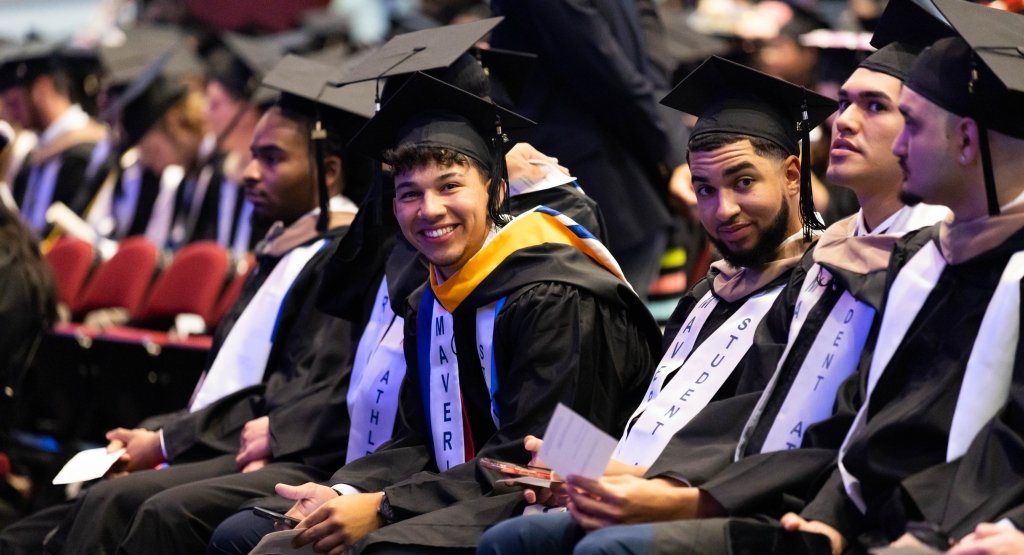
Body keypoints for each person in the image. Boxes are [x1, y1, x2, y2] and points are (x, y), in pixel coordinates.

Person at [476, 34, 953, 555]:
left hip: (754, 499)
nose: (723, 210)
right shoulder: (709, 290)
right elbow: (650, 412)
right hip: (665, 481)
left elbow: (750, 432)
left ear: (793, 176)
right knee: (514, 531)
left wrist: (637, 480)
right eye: (705, 190)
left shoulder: (822, 280)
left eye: (743, 182)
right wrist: (574, 459)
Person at [210, 71, 661, 555]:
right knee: (243, 534)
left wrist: (383, 507)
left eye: (450, 186)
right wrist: (343, 493)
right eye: (409, 193)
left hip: (534, 505)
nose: (430, 210)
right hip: (457, 495)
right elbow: (418, 438)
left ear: (497, 192)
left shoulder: (556, 296)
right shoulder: (431, 299)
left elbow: (537, 459)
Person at [0, 59, 371, 555]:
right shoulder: (288, 246)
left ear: (328, 172)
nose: (249, 172)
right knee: (26, 534)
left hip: (271, 451)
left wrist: (166, 441)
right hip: (222, 437)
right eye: (252, 154)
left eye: (272, 159)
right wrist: (161, 433)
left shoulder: (336, 260)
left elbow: (284, 398)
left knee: (117, 506)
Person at [780, 1, 1024, 552]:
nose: (896, 145)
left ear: (965, 141)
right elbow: (869, 420)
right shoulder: (922, 258)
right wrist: (830, 518)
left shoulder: (1012, 273)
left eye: (907, 122)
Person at [489, 0, 687, 298]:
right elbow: (642, 70)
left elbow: (610, 75)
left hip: (587, 192)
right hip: (623, 182)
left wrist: (674, 158)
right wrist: (673, 154)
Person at [0, 41, 109, 235]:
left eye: (14, 103)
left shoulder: (92, 152)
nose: (9, 114)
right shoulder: (34, 155)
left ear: (41, 90)